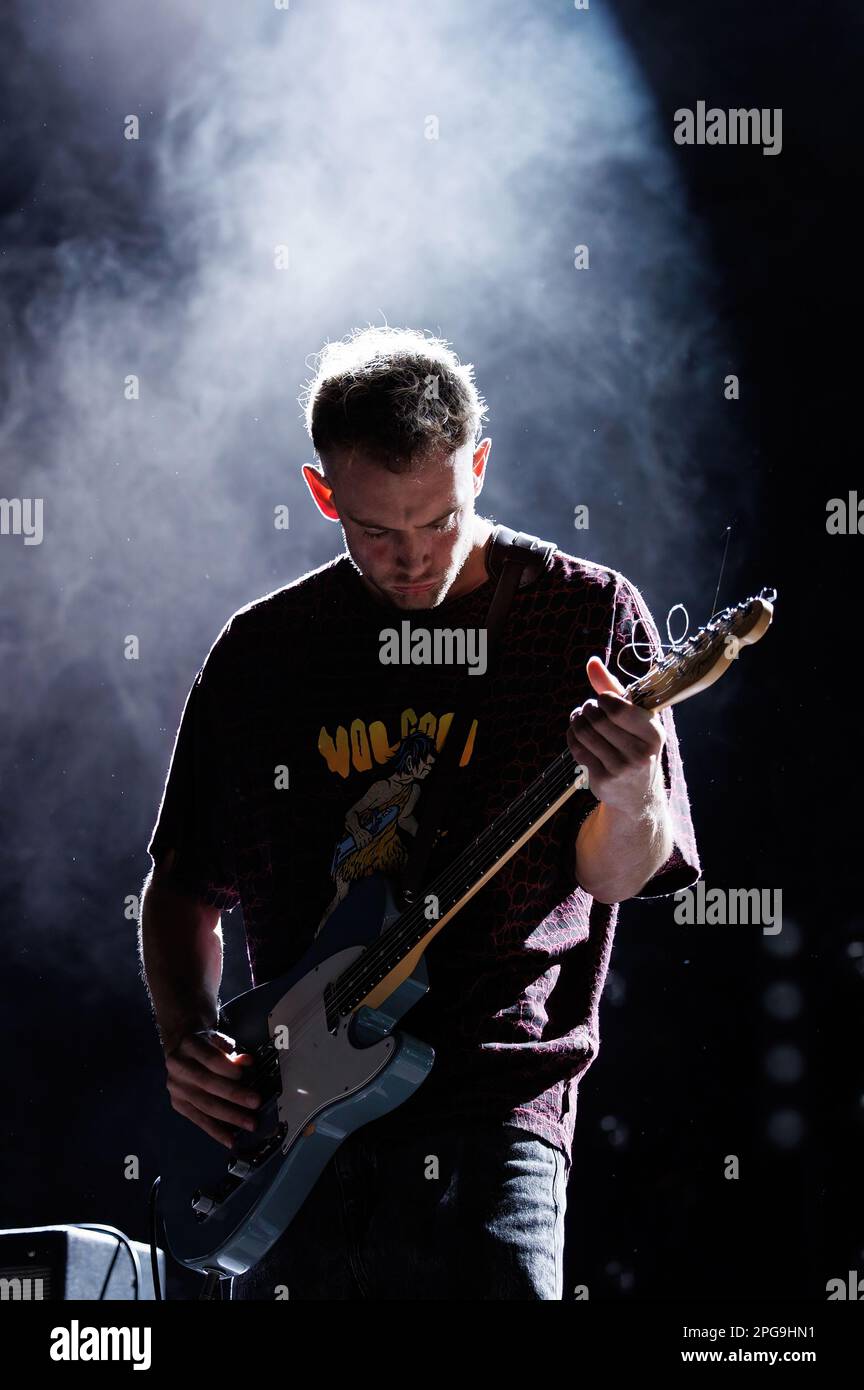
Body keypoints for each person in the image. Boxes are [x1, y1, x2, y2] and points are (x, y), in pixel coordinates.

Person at [139, 325, 701, 1300]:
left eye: (438, 519)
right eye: (373, 530)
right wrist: (188, 1034)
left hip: (498, 1108)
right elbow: (181, 890)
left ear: (478, 466)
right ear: (322, 495)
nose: (411, 561)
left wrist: (629, 790)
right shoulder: (263, 656)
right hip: (291, 1116)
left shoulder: (583, 619)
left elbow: (619, 874)